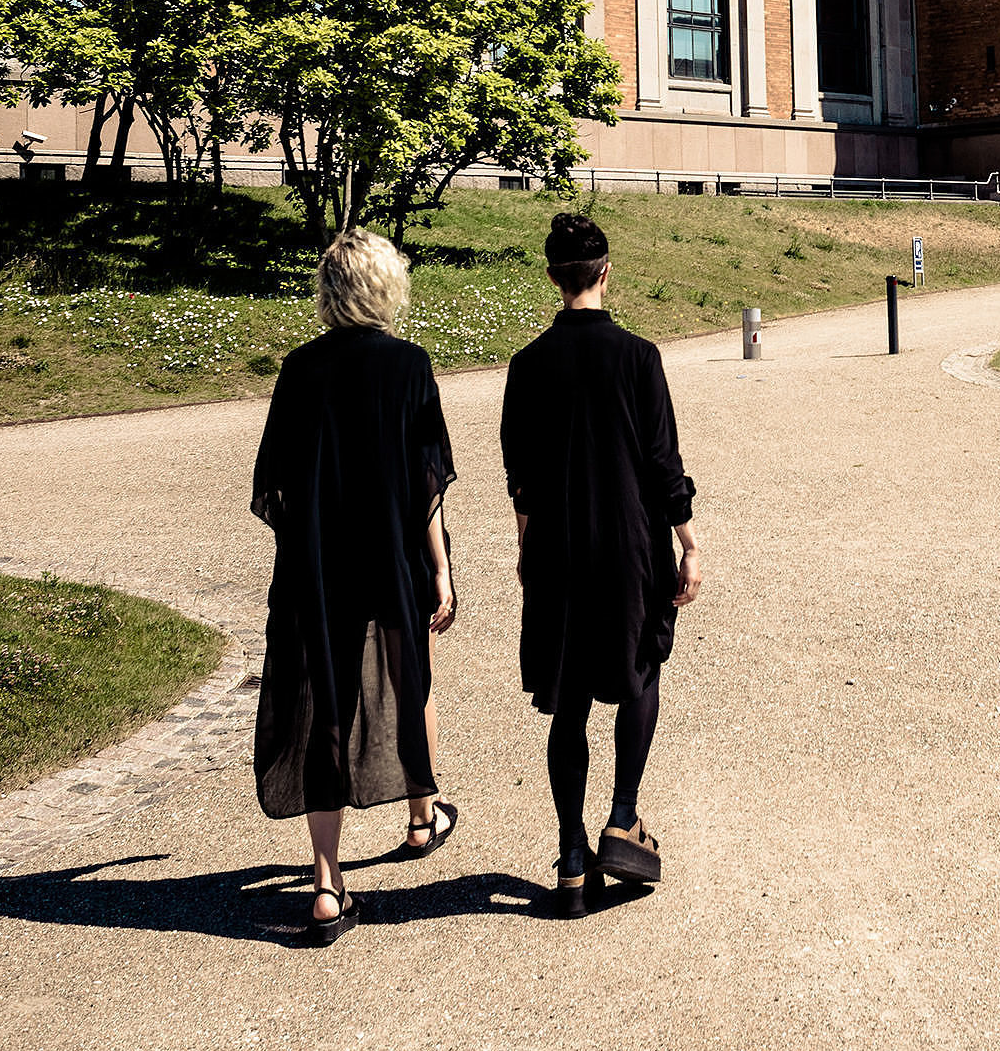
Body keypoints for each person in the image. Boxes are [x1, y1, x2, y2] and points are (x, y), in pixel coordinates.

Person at [250, 229, 461, 946]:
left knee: (324, 712)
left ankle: (325, 886)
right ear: (385, 287)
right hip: (392, 557)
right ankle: (419, 817)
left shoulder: (299, 369)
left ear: (329, 293)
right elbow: (427, 482)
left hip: (318, 565)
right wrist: (440, 570)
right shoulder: (408, 366)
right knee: (412, 679)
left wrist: (312, 541)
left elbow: (272, 488)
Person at [499, 210, 703, 918]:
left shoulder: (526, 365)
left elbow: (518, 473)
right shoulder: (639, 358)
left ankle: (572, 855)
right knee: (640, 668)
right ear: (606, 273)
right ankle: (623, 814)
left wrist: (526, 547)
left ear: (553, 277)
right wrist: (689, 543)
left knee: (570, 701)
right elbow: (661, 463)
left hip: (556, 547)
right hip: (628, 543)